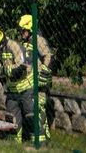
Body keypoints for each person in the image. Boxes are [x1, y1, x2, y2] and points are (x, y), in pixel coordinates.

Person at [19, 14, 53, 143]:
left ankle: (42, 141)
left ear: (30, 29)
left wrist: (44, 74)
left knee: (39, 109)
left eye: (23, 30)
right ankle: (36, 138)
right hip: (30, 83)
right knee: (33, 110)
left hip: (39, 82)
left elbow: (48, 55)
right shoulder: (28, 41)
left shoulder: (37, 40)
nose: (21, 32)